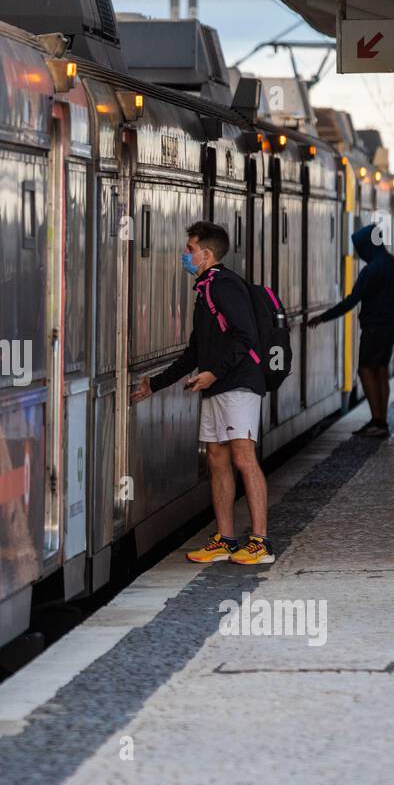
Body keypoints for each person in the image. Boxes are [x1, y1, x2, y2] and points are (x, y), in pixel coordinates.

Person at [129, 221, 274, 566]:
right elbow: (195, 350)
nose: (185, 254)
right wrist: (156, 384)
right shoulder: (205, 288)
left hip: (239, 385)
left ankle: (260, 543)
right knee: (217, 458)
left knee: (243, 457)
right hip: (218, 385)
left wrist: (214, 373)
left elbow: (246, 337)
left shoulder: (225, 286)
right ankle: (225, 539)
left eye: (190, 249)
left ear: (206, 254)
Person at [307, 223, 394, 438]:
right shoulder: (392, 263)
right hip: (392, 325)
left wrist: (323, 317)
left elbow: (352, 301)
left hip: (375, 327)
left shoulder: (372, 269)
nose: (358, 251)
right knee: (381, 370)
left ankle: (378, 420)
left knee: (366, 369)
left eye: (359, 246)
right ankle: (382, 419)